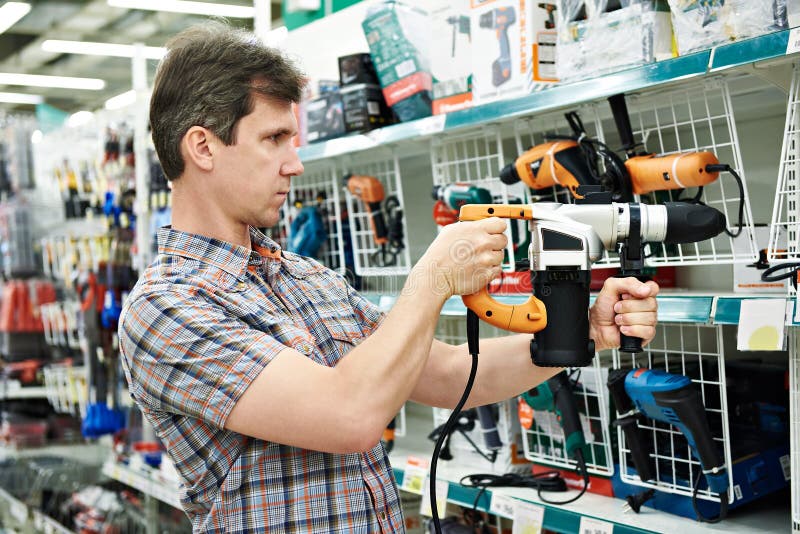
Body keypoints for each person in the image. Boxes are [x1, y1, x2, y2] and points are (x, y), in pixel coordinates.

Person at [119, 21, 659, 534]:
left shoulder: (305, 277)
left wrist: (584, 328)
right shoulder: (166, 308)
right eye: (274, 138)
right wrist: (433, 276)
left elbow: (449, 374)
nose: (295, 163)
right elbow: (348, 414)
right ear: (203, 146)